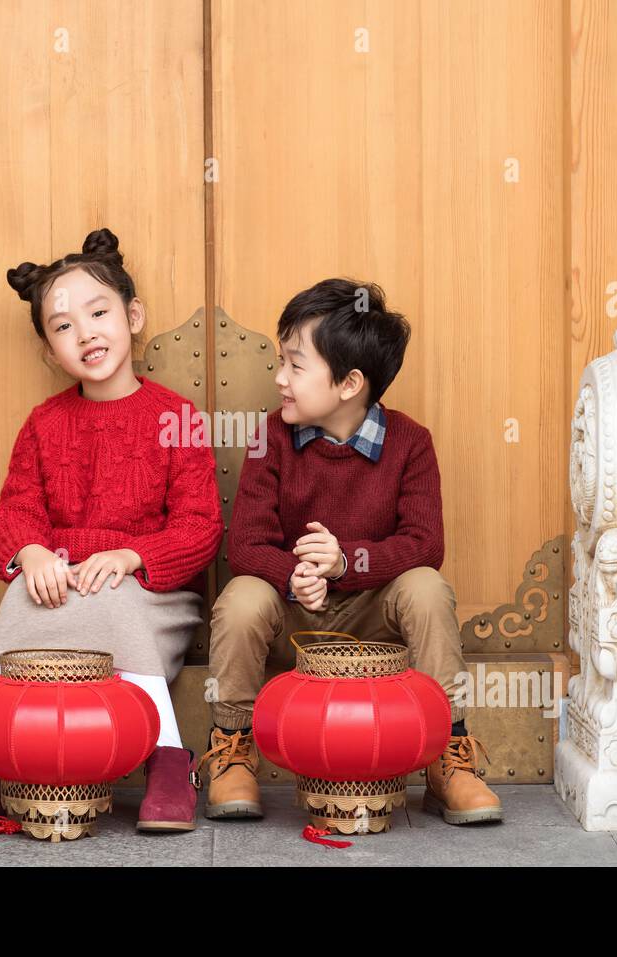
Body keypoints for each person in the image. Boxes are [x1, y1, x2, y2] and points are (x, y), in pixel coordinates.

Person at [0, 228, 222, 833]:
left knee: (118, 602)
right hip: (61, 580)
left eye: (99, 313)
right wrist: (30, 553)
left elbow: (200, 525)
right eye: (61, 326)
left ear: (133, 317)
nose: (84, 333)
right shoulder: (44, 424)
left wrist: (133, 556)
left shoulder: (175, 417)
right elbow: (16, 511)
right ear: (49, 350)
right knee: (20, 603)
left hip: (149, 592)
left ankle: (167, 761)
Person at [201, 278, 503, 825]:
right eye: (280, 361)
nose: (279, 379)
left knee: (427, 587)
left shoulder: (411, 442)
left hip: (372, 617)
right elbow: (244, 543)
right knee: (242, 597)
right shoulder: (271, 437)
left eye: (295, 366)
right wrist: (295, 575)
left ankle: (448, 753)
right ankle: (231, 748)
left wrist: (346, 562)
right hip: (296, 613)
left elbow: (424, 544)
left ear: (349, 383)